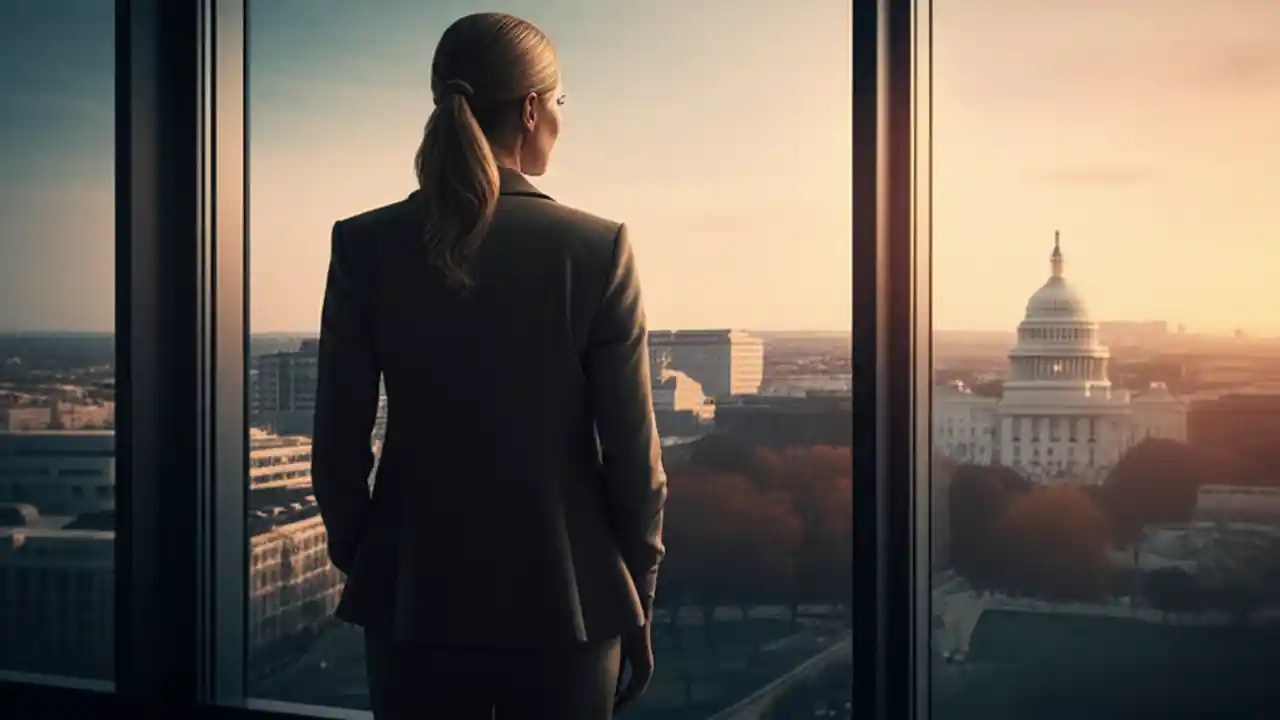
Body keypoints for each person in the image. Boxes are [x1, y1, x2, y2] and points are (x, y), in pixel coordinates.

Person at [310, 12, 667, 720]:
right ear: (532, 109)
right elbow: (635, 463)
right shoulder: (596, 249)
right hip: (570, 600)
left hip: (415, 597)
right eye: (559, 103)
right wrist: (638, 597)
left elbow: (336, 448)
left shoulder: (364, 246)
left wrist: (378, 561)